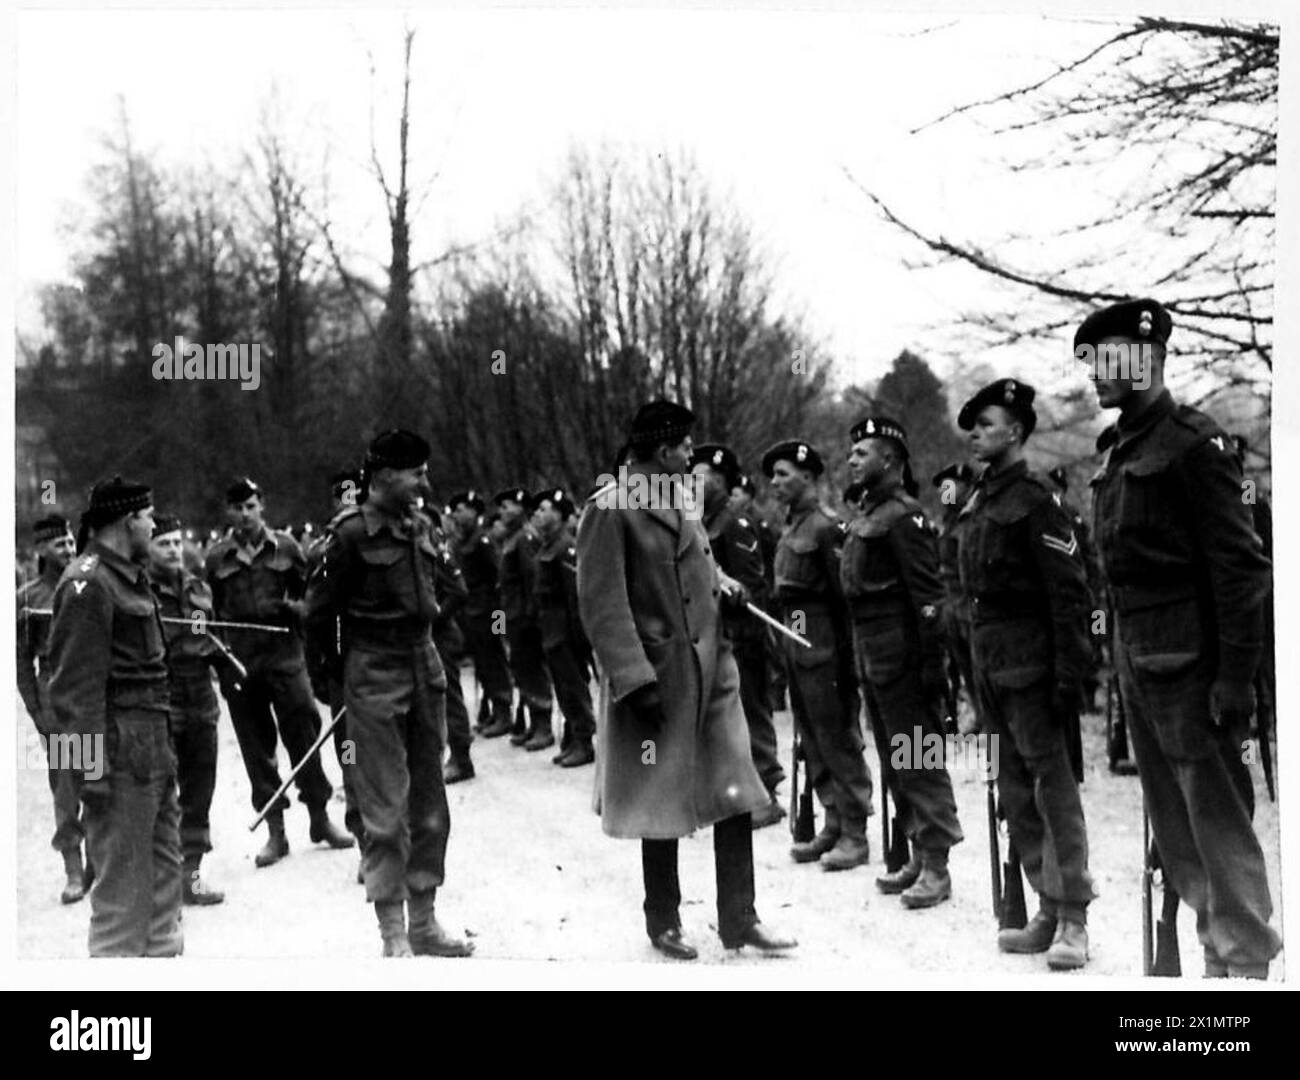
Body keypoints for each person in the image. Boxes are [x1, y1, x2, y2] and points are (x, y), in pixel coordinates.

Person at [1080, 299, 1279, 978]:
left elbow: (1242, 569)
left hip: (1194, 668)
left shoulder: (1194, 447)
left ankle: (1246, 961)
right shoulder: (1120, 453)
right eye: (1093, 363)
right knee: (1175, 825)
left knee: (1217, 821)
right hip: (1141, 664)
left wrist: (1234, 678)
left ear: (1150, 359)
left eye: (1110, 360)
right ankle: (1216, 951)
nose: (1097, 375)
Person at [577, 401, 796, 959]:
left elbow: (697, 564)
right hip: (658, 676)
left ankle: (740, 917)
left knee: (735, 787)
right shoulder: (612, 507)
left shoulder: (682, 498)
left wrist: (725, 584)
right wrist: (633, 678)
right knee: (660, 796)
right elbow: (603, 602)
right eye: (682, 447)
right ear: (658, 449)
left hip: (712, 671)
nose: (689, 456)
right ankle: (663, 919)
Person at [305, 430, 473, 958]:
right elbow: (318, 613)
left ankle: (424, 922)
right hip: (372, 673)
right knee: (384, 808)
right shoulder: (348, 535)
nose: (425, 480)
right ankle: (393, 934)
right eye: (415, 472)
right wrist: (335, 677)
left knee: (430, 804)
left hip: (423, 666)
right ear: (382, 478)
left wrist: (430, 627)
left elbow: (453, 587)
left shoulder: (422, 525)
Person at [956, 378, 1095, 970]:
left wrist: (1072, 676)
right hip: (991, 666)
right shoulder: (981, 497)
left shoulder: (1037, 498)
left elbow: (1070, 594)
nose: (975, 434)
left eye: (985, 424)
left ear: (1015, 431)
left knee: (1052, 789)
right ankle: (1045, 904)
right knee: (1014, 790)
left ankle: (1073, 918)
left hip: (1033, 668)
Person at [45, 478, 183, 956]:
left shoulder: (129, 576)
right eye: (149, 517)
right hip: (118, 759)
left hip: (153, 751)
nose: (153, 524)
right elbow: (68, 694)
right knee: (121, 904)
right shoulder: (87, 584)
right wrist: (88, 778)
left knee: (166, 885)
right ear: (128, 521)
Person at [843, 417, 964, 907]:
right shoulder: (868, 514)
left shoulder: (905, 517)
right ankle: (918, 851)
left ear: (890, 460)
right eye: (852, 453)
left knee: (920, 758)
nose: (852, 460)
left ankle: (937, 865)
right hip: (872, 653)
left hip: (904, 656)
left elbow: (930, 599)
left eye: (863, 453)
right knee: (897, 761)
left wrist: (933, 667)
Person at [207, 476, 352, 866]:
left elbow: (313, 600)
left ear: (262, 506)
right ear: (228, 512)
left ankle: (320, 817)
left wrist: (297, 612)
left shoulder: (287, 548)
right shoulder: (216, 559)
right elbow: (211, 616)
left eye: (251, 506)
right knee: (256, 748)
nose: (244, 515)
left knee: (304, 734)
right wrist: (222, 668)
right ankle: (276, 830)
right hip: (243, 664)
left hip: (286, 658)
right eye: (236, 508)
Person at [764, 439, 875, 871]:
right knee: (811, 737)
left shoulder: (828, 528)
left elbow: (843, 598)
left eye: (783, 474)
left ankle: (854, 830)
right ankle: (831, 820)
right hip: (797, 644)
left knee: (836, 737)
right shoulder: (791, 527)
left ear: (809, 477)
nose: (775, 483)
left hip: (824, 647)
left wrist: (848, 664)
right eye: (773, 476)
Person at [690, 444, 785, 827]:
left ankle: (766, 792)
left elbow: (753, 584)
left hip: (742, 635)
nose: (694, 481)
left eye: (703, 476)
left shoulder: (735, 523)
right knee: (727, 720)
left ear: (723, 482)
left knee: (751, 713)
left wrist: (734, 592)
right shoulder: (700, 520)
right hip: (715, 634)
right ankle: (736, 794)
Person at [146, 513, 229, 905]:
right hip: (163, 697)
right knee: (163, 791)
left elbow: (208, 634)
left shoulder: (198, 588)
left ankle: (191, 875)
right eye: (164, 544)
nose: (174, 550)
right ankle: (160, 880)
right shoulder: (140, 592)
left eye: (177, 543)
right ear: (148, 547)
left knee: (200, 789)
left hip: (200, 697)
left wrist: (222, 660)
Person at [16, 514, 87, 903]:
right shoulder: (27, 597)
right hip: (54, 699)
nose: (69, 549)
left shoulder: (84, 587)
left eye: (72, 542)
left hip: (86, 695)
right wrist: (38, 714)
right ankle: (73, 870)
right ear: (42, 549)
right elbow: (22, 664)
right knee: (65, 785)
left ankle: (98, 863)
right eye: (60, 545)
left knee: (94, 776)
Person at [531, 487, 596, 767]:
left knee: (574, 687)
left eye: (544, 509)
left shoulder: (566, 546)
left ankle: (583, 742)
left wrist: (580, 637)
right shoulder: (547, 545)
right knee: (563, 688)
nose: (537, 514)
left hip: (566, 631)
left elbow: (575, 595)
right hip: (551, 628)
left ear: (559, 516)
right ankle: (571, 739)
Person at [446, 491, 514, 736]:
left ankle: (504, 712)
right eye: (455, 510)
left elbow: (498, 578)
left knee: (494, 659)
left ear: (475, 512)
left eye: (461, 509)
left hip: (491, 612)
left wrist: (499, 619)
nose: (456, 515)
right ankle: (494, 711)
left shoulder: (482, 541)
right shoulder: (463, 540)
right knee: (482, 663)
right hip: (471, 613)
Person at [491, 487, 554, 746]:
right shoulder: (514, 538)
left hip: (524, 618)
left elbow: (532, 579)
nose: (502, 512)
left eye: (507, 506)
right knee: (521, 669)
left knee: (531, 670)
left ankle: (543, 726)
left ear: (520, 508)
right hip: (513, 615)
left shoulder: (525, 538)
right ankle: (532, 721)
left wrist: (531, 617)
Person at [931, 463, 978, 730]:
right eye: (943, 487)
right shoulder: (946, 522)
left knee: (977, 669)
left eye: (951, 486)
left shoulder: (973, 518)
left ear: (967, 487)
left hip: (969, 605)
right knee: (959, 667)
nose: (945, 492)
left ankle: (985, 717)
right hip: (950, 604)